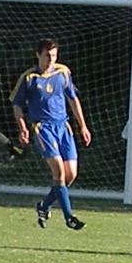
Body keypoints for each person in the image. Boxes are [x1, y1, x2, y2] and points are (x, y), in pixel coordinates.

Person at [10, 38, 93, 230]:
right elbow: (17, 105)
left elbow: (73, 99)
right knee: (59, 171)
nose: (51, 60)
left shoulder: (63, 72)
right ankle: (69, 217)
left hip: (63, 127)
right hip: (43, 128)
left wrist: (83, 126)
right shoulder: (29, 78)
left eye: (54, 56)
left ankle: (44, 206)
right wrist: (23, 128)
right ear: (37, 55)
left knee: (70, 175)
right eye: (47, 55)